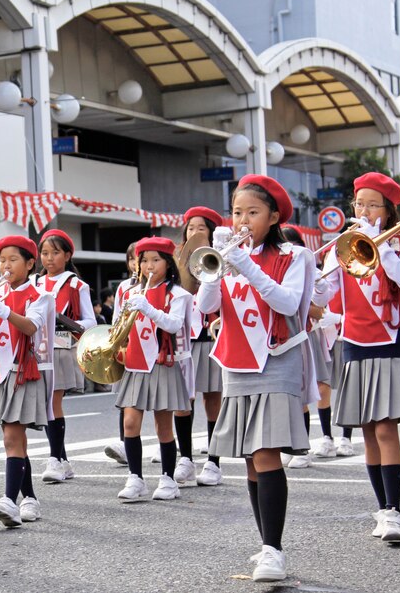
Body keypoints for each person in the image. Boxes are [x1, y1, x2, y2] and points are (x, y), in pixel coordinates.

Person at [198, 175, 316, 582]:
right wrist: (214, 267)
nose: (243, 220)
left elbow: (287, 303)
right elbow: (205, 306)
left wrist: (247, 266)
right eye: (236, 212)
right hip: (235, 360)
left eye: (253, 212)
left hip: (276, 358)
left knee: (266, 453)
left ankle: (274, 550)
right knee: (250, 459)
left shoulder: (294, 255)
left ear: (274, 216)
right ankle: (266, 541)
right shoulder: (230, 255)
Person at [313, 173, 400, 543]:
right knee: (367, 430)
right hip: (355, 342)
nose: (363, 210)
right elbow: (323, 293)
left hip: (393, 340)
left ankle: (395, 512)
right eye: (359, 204)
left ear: (389, 209)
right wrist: (308, 277)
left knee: (385, 426)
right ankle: (382, 509)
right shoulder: (341, 245)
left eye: (372, 204)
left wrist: (384, 246)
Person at [0, 235, 54, 527]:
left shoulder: (39, 295)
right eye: (2, 260)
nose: (5, 265)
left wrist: (2, 310)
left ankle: (9, 500)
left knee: (11, 438)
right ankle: (29, 497)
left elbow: (31, 326)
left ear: (30, 263)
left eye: (13, 259)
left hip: (23, 371)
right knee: (15, 439)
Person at [114, 236, 193, 504]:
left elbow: (174, 324)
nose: (148, 265)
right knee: (130, 423)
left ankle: (168, 478)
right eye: (144, 260)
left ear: (168, 264)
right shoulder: (127, 291)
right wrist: (116, 345)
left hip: (163, 361)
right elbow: (118, 323)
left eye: (155, 260)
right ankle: (135, 478)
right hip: (135, 361)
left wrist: (149, 309)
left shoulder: (178, 294)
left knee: (163, 426)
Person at [36, 229, 96, 483]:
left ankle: (54, 459)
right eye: (44, 253)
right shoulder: (33, 283)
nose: (49, 259)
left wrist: (65, 321)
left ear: (68, 254)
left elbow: (90, 322)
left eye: (55, 253)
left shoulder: (77, 285)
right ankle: (62, 460)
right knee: (45, 404)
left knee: (52, 403)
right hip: (36, 348)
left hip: (60, 347)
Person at [179, 206, 225, 487]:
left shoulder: (221, 256)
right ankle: (185, 458)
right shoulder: (177, 257)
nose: (195, 232)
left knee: (212, 398)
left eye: (201, 228)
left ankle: (214, 460)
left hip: (211, 335)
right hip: (185, 335)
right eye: (190, 227)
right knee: (184, 399)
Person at [104, 242, 139, 465]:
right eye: (133, 259)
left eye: (142, 259)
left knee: (158, 403)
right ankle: (124, 444)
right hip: (127, 348)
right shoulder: (124, 287)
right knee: (125, 399)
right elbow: (117, 317)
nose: (137, 264)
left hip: (149, 348)